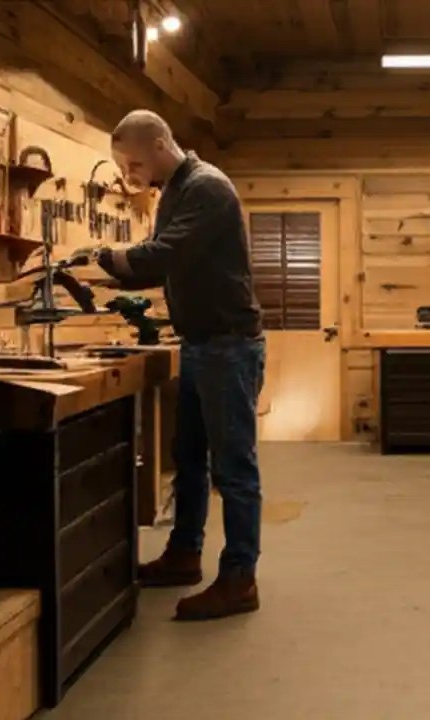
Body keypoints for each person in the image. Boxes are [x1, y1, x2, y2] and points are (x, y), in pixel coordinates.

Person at [95, 109, 265, 621]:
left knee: (232, 467)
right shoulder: (174, 190)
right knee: (188, 457)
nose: (130, 175)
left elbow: (164, 254)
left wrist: (104, 258)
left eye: (133, 163)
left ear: (162, 144)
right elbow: (165, 264)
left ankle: (240, 578)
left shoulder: (208, 188)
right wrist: (108, 277)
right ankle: (185, 553)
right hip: (200, 343)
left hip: (228, 345)